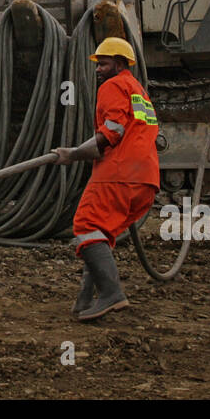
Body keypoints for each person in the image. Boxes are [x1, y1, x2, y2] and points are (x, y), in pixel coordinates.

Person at [52, 36, 159, 321]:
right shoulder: (139, 92)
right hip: (145, 180)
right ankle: (86, 299)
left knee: (86, 225)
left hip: (118, 174)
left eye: (105, 63)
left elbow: (112, 131)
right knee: (100, 233)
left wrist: (72, 154)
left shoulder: (112, 86)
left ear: (121, 64)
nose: (98, 70)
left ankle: (112, 294)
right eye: (98, 64)